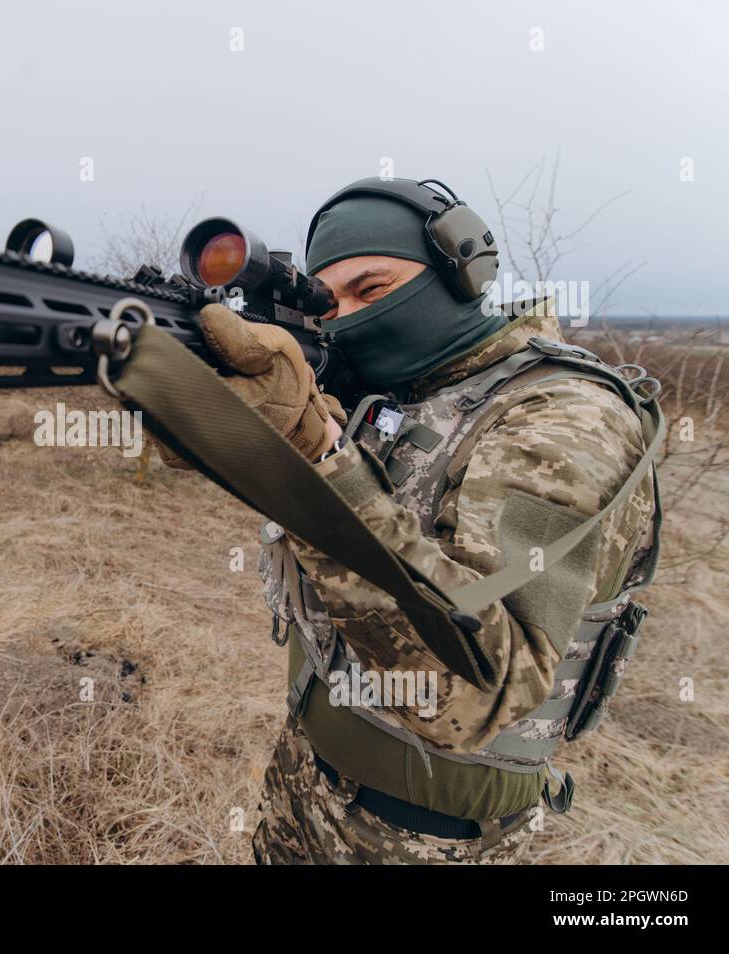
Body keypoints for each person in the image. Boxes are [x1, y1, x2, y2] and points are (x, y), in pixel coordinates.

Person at [165, 179, 662, 864]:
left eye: (372, 290)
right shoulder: (396, 393)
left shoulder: (565, 417)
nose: (344, 319)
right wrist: (203, 415)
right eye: (326, 302)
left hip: (431, 838)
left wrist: (316, 457)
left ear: (464, 273)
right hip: (308, 784)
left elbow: (480, 689)